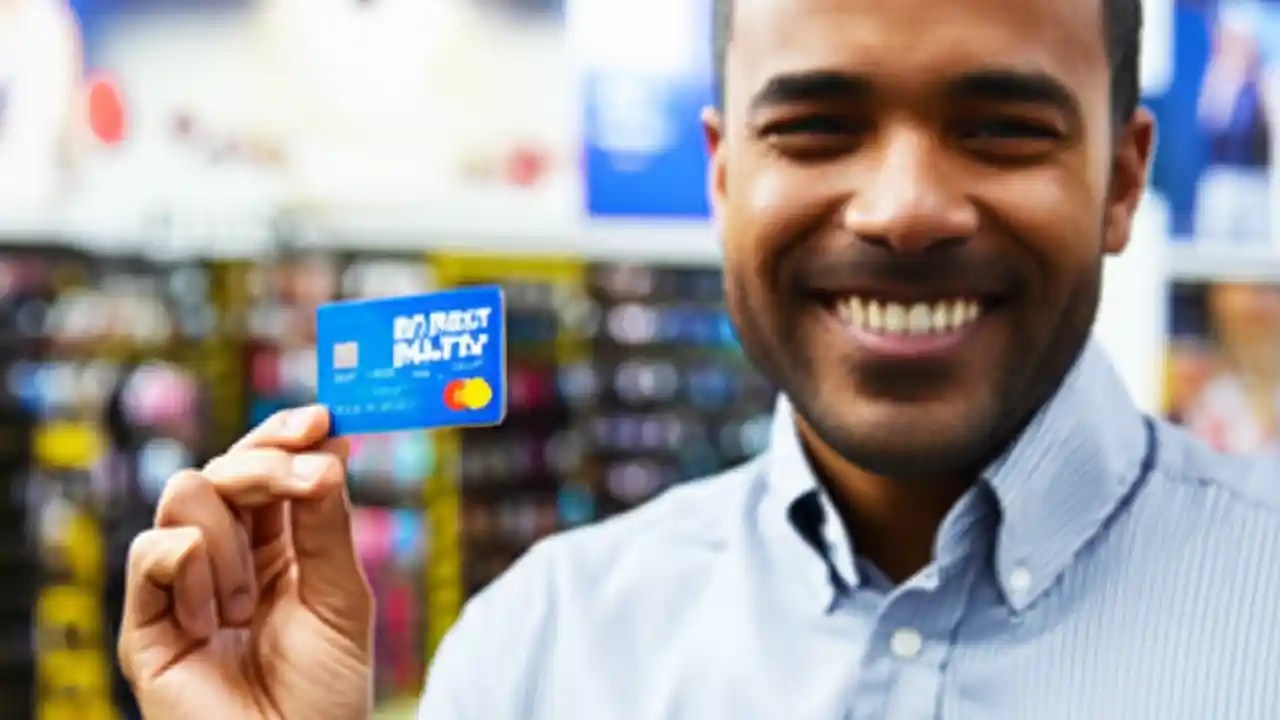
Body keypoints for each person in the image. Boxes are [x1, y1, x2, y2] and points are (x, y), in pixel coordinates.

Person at [117, 0, 1280, 718]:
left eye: (1001, 129)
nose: (903, 209)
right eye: (816, 127)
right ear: (723, 177)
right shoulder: (538, 653)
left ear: (1123, 180)